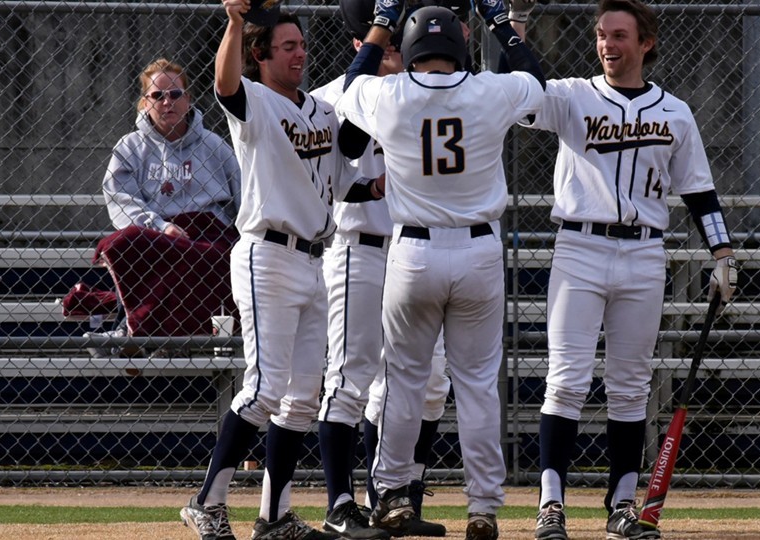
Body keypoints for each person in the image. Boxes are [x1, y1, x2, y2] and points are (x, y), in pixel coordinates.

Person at [516, 1, 739, 539]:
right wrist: (515, 27)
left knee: (630, 387)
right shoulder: (572, 96)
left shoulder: (674, 111)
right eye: (601, 34)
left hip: (643, 253)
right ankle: (551, 504)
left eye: (619, 35)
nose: (607, 44)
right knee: (565, 382)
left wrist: (723, 253)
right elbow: (516, 93)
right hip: (580, 247)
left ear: (646, 43)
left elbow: (700, 192)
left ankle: (621, 505)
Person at [336, 1, 545, 538]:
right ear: (459, 45)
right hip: (478, 251)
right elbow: (536, 81)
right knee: (476, 385)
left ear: (409, 49)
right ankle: (483, 506)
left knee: (404, 381)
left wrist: (381, 22)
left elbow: (351, 86)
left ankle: (391, 494)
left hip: (413, 252)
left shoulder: (389, 94)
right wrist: (499, 22)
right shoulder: (490, 91)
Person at [178, 3, 373, 540]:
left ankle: (274, 516)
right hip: (266, 254)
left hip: (314, 258)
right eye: (288, 47)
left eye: (302, 45)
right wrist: (236, 24)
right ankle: (206, 503)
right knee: (264, 389)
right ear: (261, 57)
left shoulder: (323, 112)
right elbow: (224, 85)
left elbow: (344, 176)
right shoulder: (256, 103)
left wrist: (380, 184)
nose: (299, 54)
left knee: (303, 397)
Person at [310, 0, 454, 537]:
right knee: (350, 377)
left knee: (430, 382)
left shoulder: (427, 92)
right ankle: (340, 505)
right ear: (360, 43)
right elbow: (325, 177)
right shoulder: (330, 98)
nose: (395, 49)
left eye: (399, 40)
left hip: (415, 252)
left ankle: (399, 499)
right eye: (385, 40)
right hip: (359, 246)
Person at [90, 58, 241, 351]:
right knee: (124, 242)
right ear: (145, 102)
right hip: (158, 234)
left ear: (188, 99)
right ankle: (135, 328)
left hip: (206, 233)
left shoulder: (214, 146)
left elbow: (244, 195)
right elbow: (121, 199)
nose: (167, 102)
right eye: (157, 95)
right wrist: (160, 226)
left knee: (221, 253)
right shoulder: (130, 147)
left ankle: (139, 331)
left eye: (175, 94)